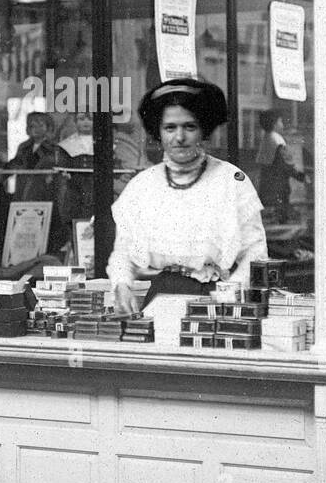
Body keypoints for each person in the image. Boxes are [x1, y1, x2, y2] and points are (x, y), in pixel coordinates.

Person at [109, 79, 267, 312]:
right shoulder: (142, 185)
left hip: (217, 296)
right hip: (160, 298)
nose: (179, 137)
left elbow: (255, 252)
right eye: (170, 128)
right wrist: (121, 284)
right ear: (159, 133)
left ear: (203, 130)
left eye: (189, 127)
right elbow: (123, 252)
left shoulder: (231, 179)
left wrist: (230, 297)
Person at [5, 111, 69, 254]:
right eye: (32, 125)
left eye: (40, 125)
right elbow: (15, 164)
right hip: (24, 192)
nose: (36, 128)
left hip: (44, 193)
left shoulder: (55, 149)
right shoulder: (24, 147)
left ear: (48, 127)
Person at [255, 108, 307, 219]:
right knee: (282, 211)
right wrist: (301, 176)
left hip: (267, 184)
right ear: (275, 124)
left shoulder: (266, 138)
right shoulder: (278, 141)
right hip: (279, 185)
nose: (282, 124)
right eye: (280, 121)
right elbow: (286, 165)